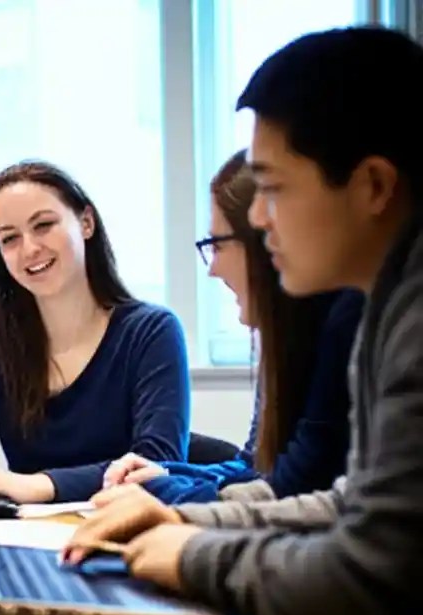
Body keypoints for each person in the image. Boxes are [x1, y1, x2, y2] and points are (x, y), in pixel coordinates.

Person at [66, 26, 423, 615]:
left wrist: (193, 556)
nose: (258, 218)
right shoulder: (388, 304)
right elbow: (347, 506)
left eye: (275, 188)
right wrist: (185, 519)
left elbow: (378, 577)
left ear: (373, 185)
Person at [0, 161, 190, 505]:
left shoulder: (152, 332)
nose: (30, 248)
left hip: (128, 535)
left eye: (44, 225)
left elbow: (158, 464)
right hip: (30, 535)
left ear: (86, 223)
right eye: (10, 238)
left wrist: (40, 485)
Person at [100, 150, 363, 505]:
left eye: (217, 245)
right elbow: (256, 466)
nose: (212, 269)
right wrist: (167, 475)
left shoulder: (344, 323)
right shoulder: (281, 342)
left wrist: (163, 491)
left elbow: (293, 485)